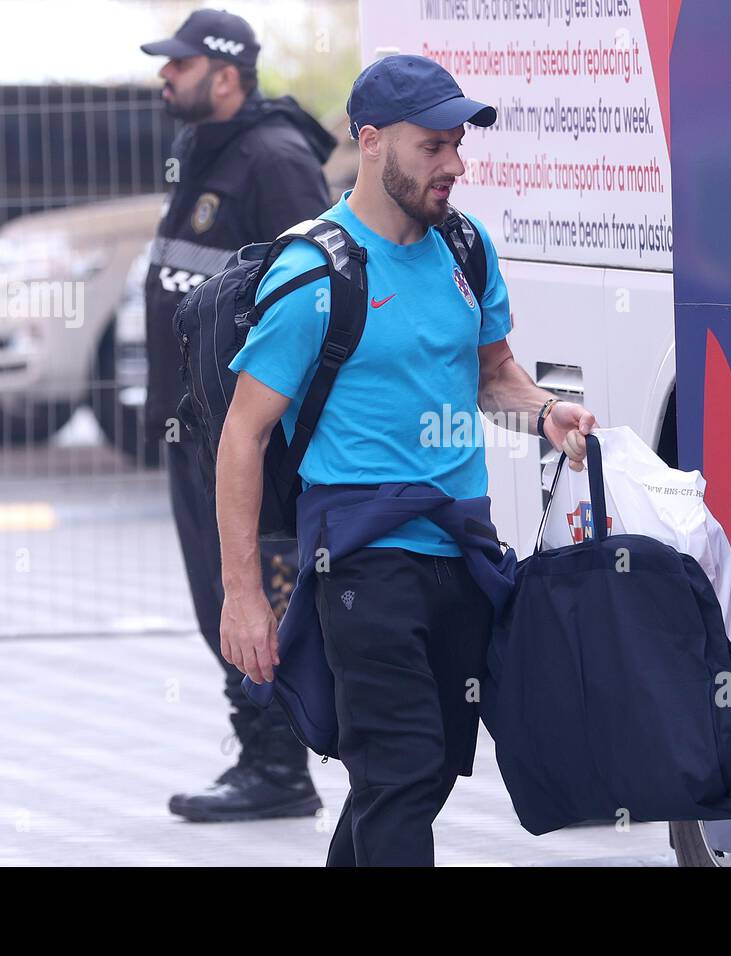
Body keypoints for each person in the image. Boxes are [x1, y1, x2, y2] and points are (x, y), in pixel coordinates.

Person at [214, 54, 599, 865]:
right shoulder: (314, 270)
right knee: (401, 765)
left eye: (458, 145)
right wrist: (243, 594)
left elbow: (496, 375)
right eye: (434, 147)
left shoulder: (464, 246)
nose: (454, 165)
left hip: (460, 552)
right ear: (373, 141)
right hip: (362, 561)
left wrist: (546, 413)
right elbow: (243, 435)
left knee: (417, 777)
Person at [139, 8, 337, 822]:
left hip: (244, 436)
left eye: (177, 64)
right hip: (194, 430)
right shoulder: (199, 150)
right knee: (213, 597)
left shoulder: (277, 160)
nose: (163, 76)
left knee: (252, 589)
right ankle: (264, 756)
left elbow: (316, 296)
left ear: (225, 73)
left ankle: (279, 766)